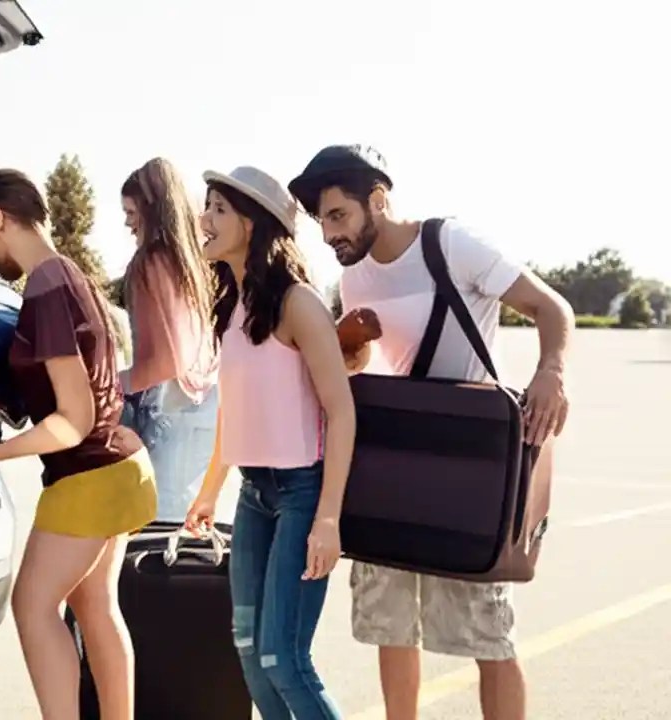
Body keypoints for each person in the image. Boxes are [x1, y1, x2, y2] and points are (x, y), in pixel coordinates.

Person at [287, 144, 573, 720]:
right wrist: (348, 343)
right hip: (396, 459)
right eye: (321, 221)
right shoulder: (354, 275)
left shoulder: (451, 244)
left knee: (488, 635)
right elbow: (360, 366)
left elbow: (551, 308)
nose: (329, 234)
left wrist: (552, 370)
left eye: (338, 215)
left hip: (470, 465)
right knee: (392, 628)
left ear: (378, 198)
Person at [0, 168, 158, 720]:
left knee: (33, 607)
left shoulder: (44, 286)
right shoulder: (72, 276)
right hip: (120, 468)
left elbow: (72, 420)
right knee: (95, 606)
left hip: (87, 477)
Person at [185, 165, 355, 720]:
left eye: (218, 209)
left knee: (284, 659)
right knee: (251, 656)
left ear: (252, 224)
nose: (204, 220)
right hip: (253, 495)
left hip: (302, 495)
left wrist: (328, 519)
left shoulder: (298, 303)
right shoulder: (231, 306)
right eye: (207, 207)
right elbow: (233, 410)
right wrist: (210, 491)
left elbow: (341, 411)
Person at [118, 157, 222, 523]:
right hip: (203, 403)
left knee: (155, 530)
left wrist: (111, 383)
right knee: (179, 529)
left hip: (170, 408)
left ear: (151, 209)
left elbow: (167, 361)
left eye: (131, 212)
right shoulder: (193, 263)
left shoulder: (151, 262)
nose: (127, 222)